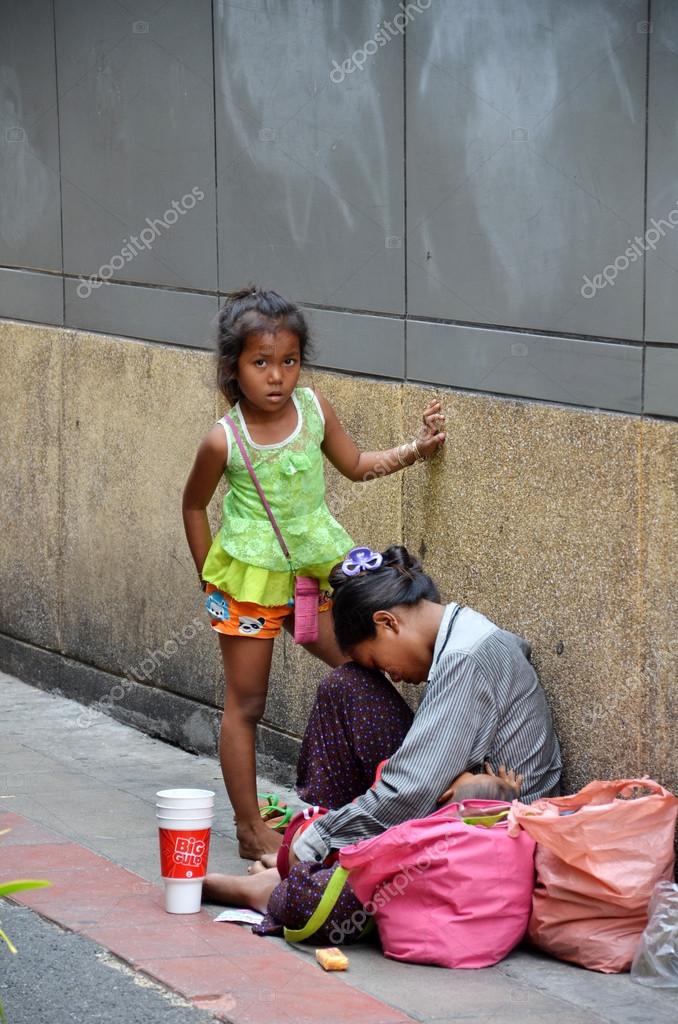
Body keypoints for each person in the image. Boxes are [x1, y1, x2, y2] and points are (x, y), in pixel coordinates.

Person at [182, 288, 446, 859]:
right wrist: (210, 579)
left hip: (318, 577)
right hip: (248, 587)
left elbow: (355, 465)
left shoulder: (314, 409)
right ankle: (251, 828)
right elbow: (193, 506)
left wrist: (416, 450)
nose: (277, 377)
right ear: (233, 369)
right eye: (260, 363)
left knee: (362, 663)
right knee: (246, 704)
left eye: (289, 360)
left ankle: (382, 794)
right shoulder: (222, 440)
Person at [290, 545, 562, 867]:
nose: (392, 676)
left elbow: (413, 790)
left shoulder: (465, 659)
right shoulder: (467, 631)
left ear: (387, 623)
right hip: (466, 810)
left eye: (379, 662)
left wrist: (319, 838)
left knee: (309, 877)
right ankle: (323, 851)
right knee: (347, 686)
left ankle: (315, 857)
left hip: (501, 839)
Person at [202, 763, 524, 945]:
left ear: (446, 794)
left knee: (309, 861)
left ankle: (228, 886)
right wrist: (506, 795)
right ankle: (274, 872)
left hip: (329, 908)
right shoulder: (504, 834)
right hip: (458, 936)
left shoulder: (420, 831)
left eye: (467, 774)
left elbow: (362, 854)